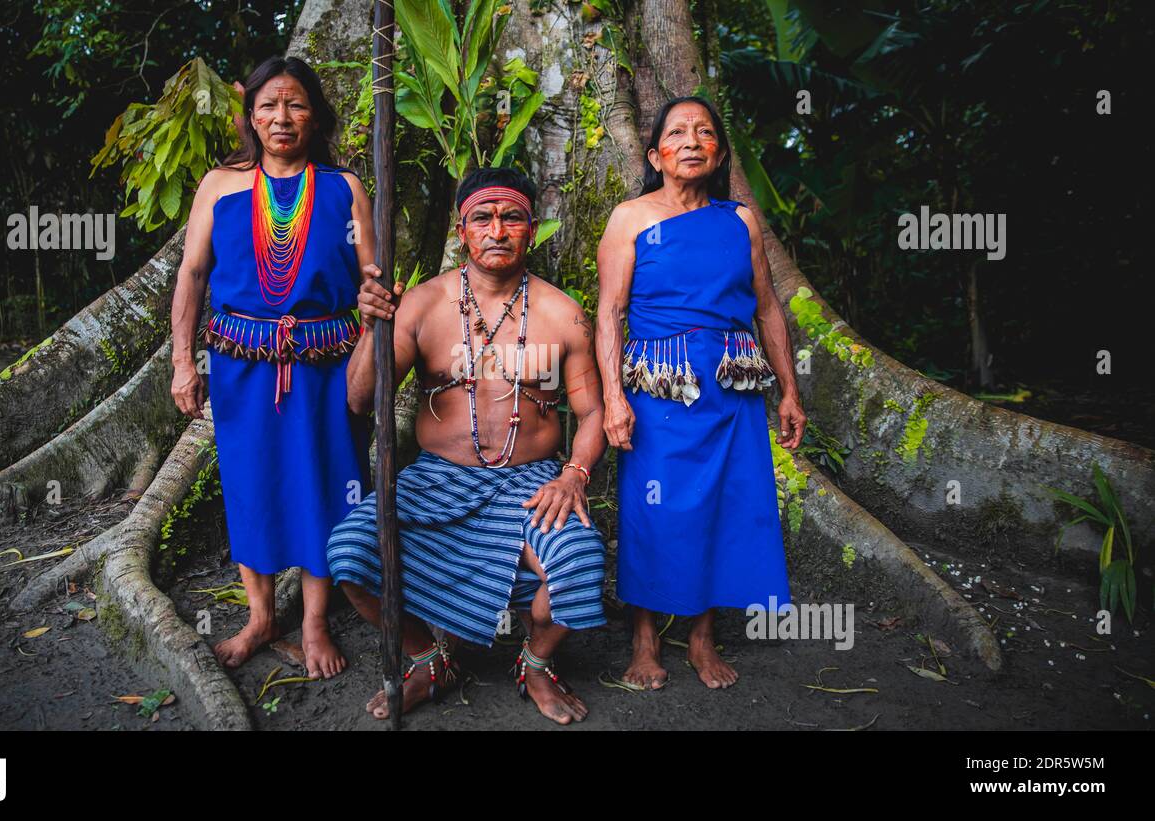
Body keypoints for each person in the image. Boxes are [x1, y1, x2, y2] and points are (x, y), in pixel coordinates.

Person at [326, 167, 608, 725]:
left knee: (579, 564)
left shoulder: (562, 312)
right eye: (483, 217)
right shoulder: (424, 304)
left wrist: (573, 473)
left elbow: (593, 412)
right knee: (351, 556)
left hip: (531, 486)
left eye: (512, 218)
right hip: (436, 480)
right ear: (462, 230)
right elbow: (359, 399)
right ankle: (429, 661)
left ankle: (535, 663)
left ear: (530, 229)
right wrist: (371, 326)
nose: (497, 230)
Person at [169, 56, 375, 677]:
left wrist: (374, 299)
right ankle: (260, 615)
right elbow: (193, 275)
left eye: (296, 105)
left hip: (323, 369)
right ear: (251, 116)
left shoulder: (344, 188)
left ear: (315, 115)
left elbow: (371, 277)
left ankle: (314, 622)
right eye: (268, 106)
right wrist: (184, 362)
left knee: (323, 482)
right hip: (241, 367)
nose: (281, 118)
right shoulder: (219, 186)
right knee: (250, 482)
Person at [594, 95, 805, 691]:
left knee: (724, 506)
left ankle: (701, 637)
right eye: (678, 132)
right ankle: (642, 638)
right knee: (651, 507)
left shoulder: (739, 220)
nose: (692, 141)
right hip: (661, 387)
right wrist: (613, 397)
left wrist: (788, 392)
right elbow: (608, 313)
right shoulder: (630, 218)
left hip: (734, 387)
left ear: (719, 152)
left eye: (705, 132)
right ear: (655, 152)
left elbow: (767, 308)